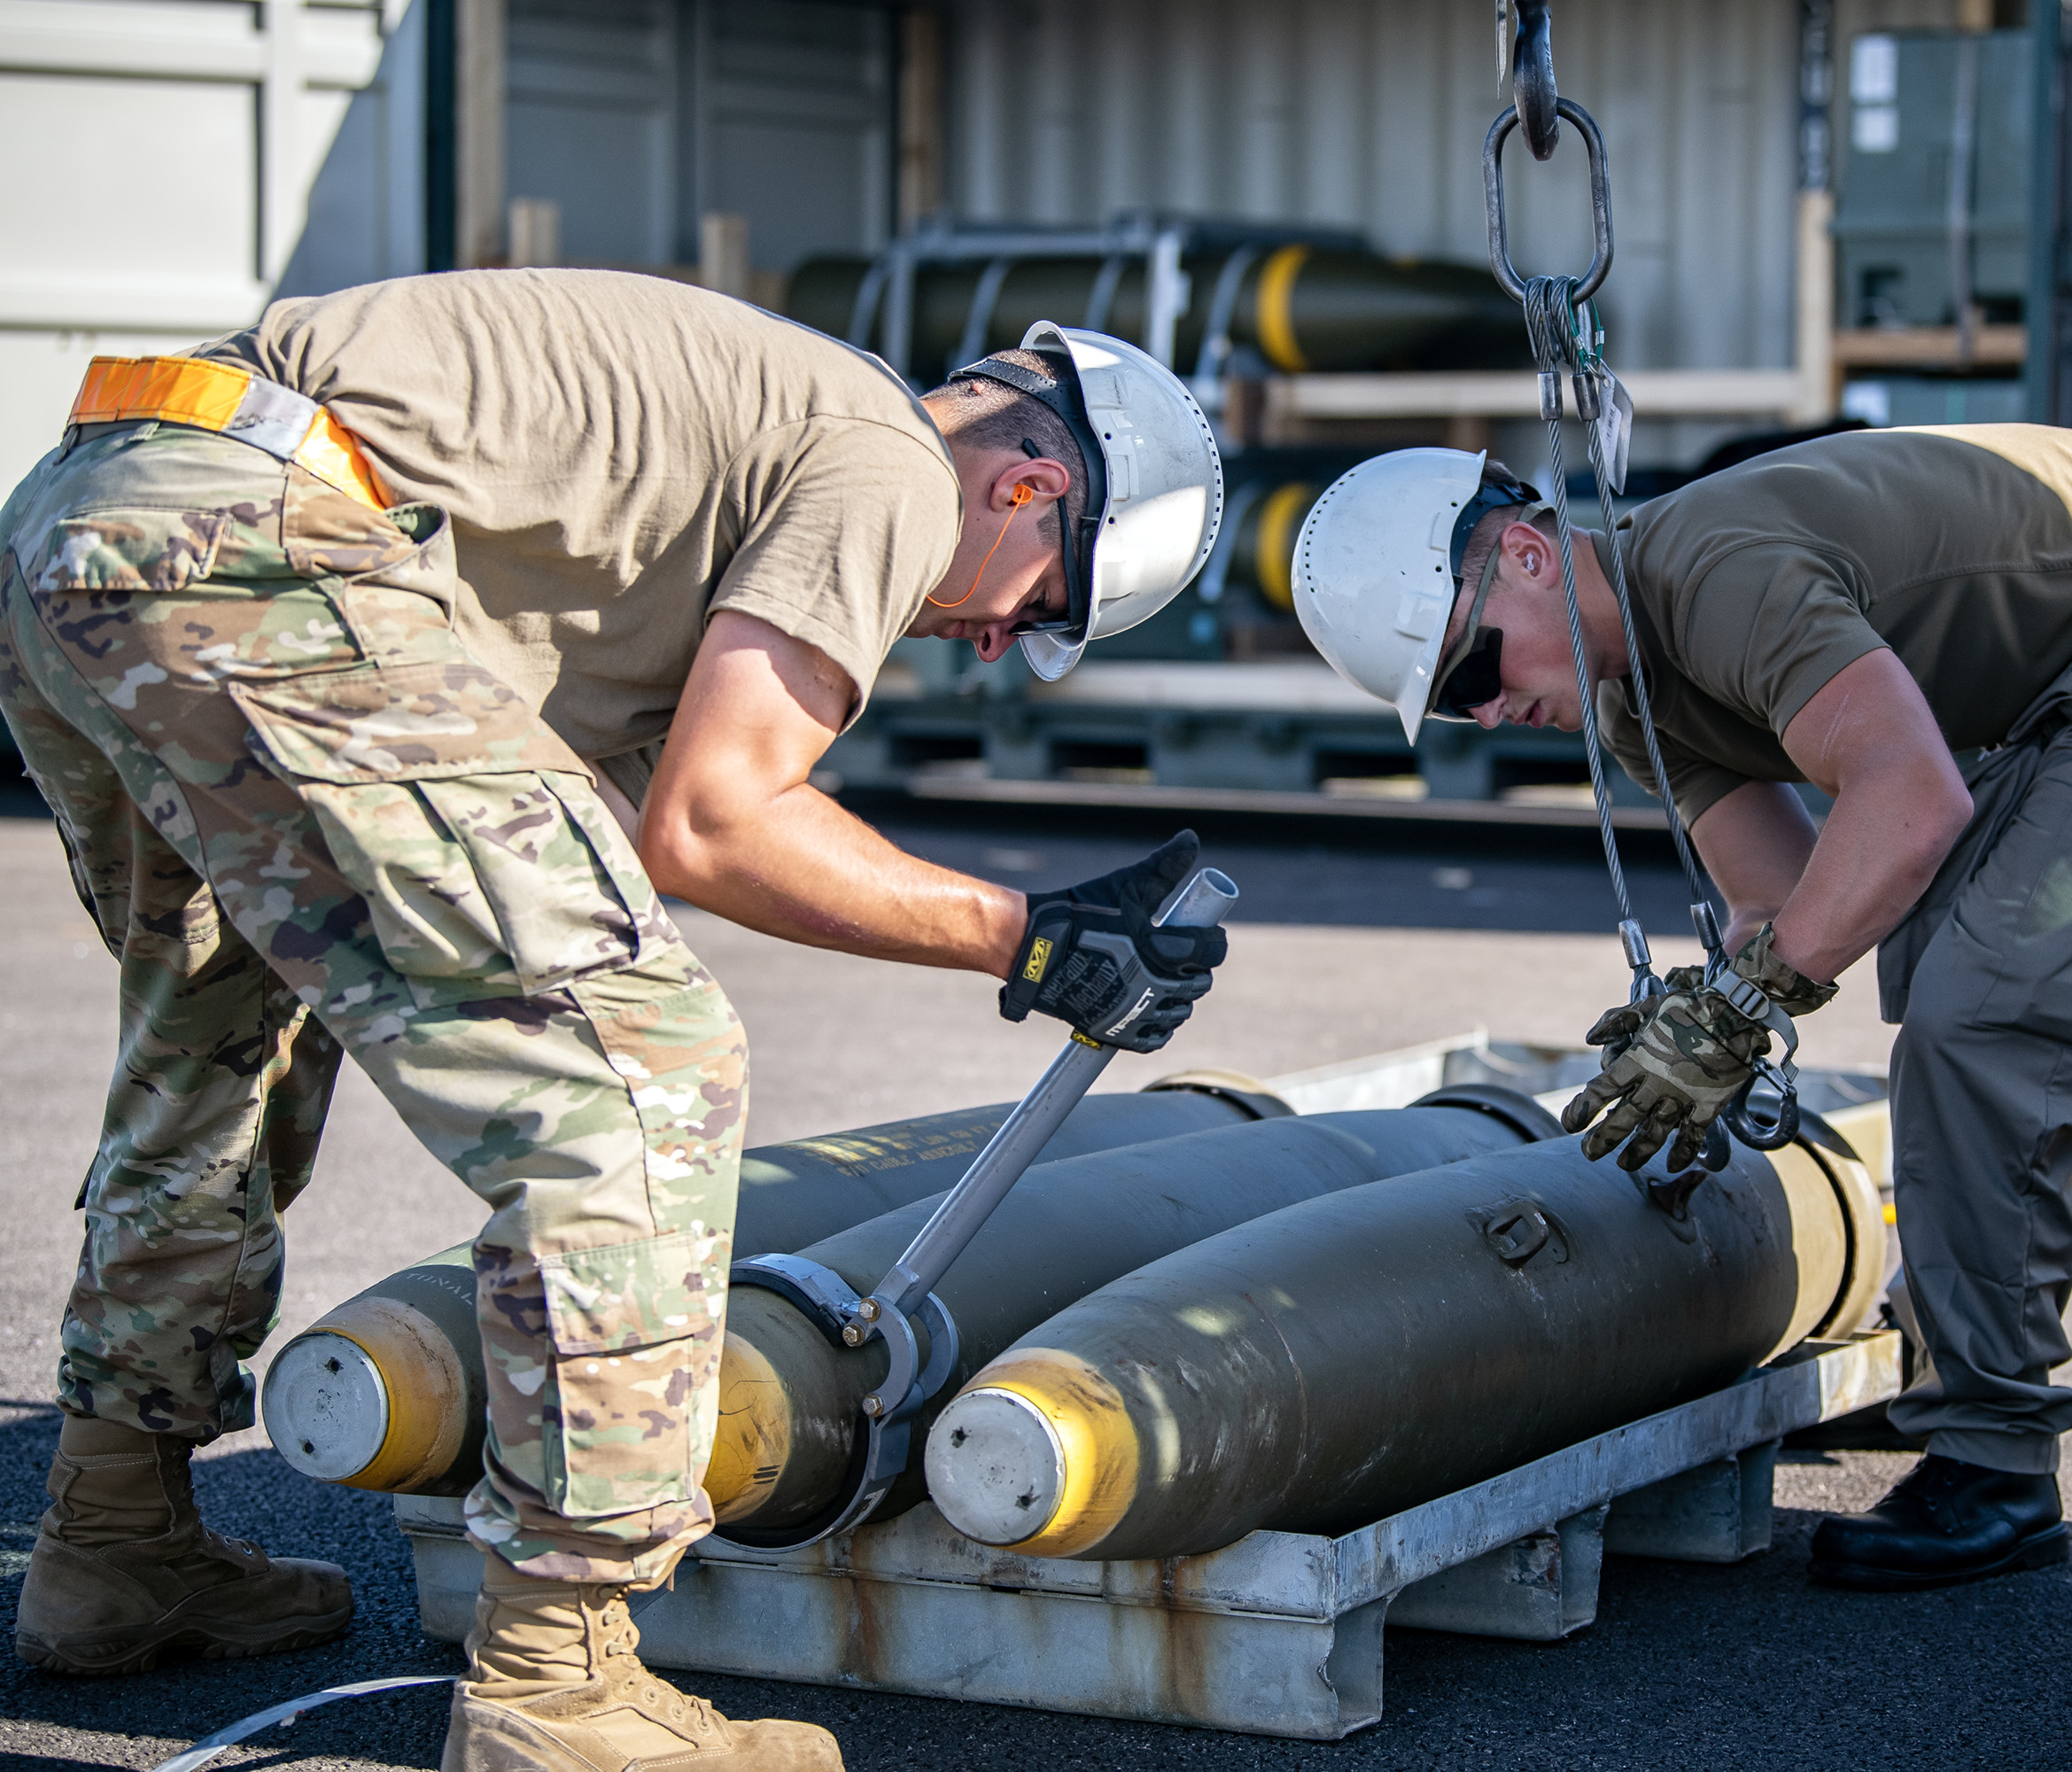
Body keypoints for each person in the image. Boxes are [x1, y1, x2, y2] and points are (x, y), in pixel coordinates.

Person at [0, 268, 1229, 1768]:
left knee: (227, 1039)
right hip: (264, 543)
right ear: (1029, 487)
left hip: (100, 519)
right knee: (640, 1071)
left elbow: (640, 821)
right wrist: (1028, 938)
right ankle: (558, 1684)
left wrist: (1028, 931)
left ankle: (113, 1536)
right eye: (1039, 605)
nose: (992, 642)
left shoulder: (725, 459)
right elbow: (718, 825)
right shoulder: (894, 462)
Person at [1292, 426, 2072, 1589]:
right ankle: (1955, 1360)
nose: (1483, 715)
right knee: (1936, 969)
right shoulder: (1632, 703)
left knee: (1989, 1025)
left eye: (1471, 671)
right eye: (1449, 708)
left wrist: (1742, 1009)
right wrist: (1707, 1011)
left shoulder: (1715, 578)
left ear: (1529, 556)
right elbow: (1783, 898)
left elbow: (1910, 801)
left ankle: (1995, 1458)